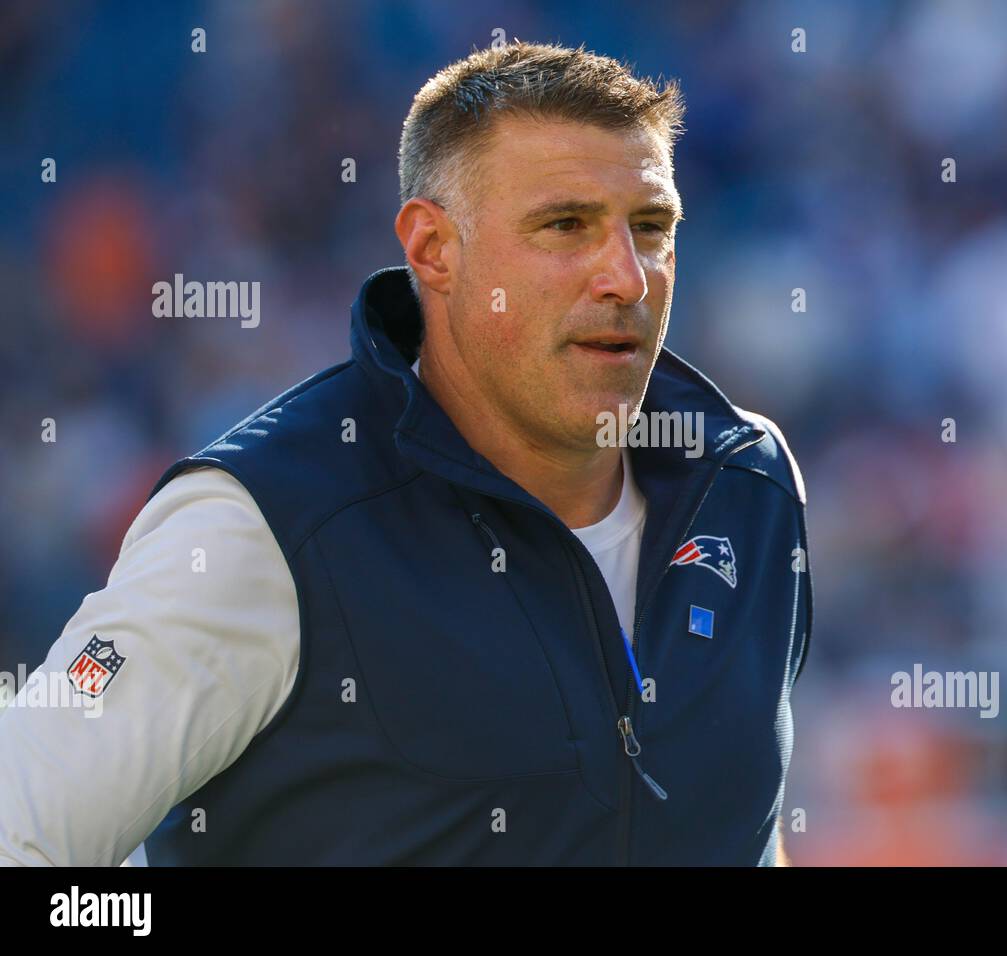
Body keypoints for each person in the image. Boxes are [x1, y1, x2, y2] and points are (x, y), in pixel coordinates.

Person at [0, 40, 811, 866]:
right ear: (433, 250)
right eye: (566, 225)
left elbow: (744, 827)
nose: (627, 278)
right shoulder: (259, 527)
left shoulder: (748, 485)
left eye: (650, 228)